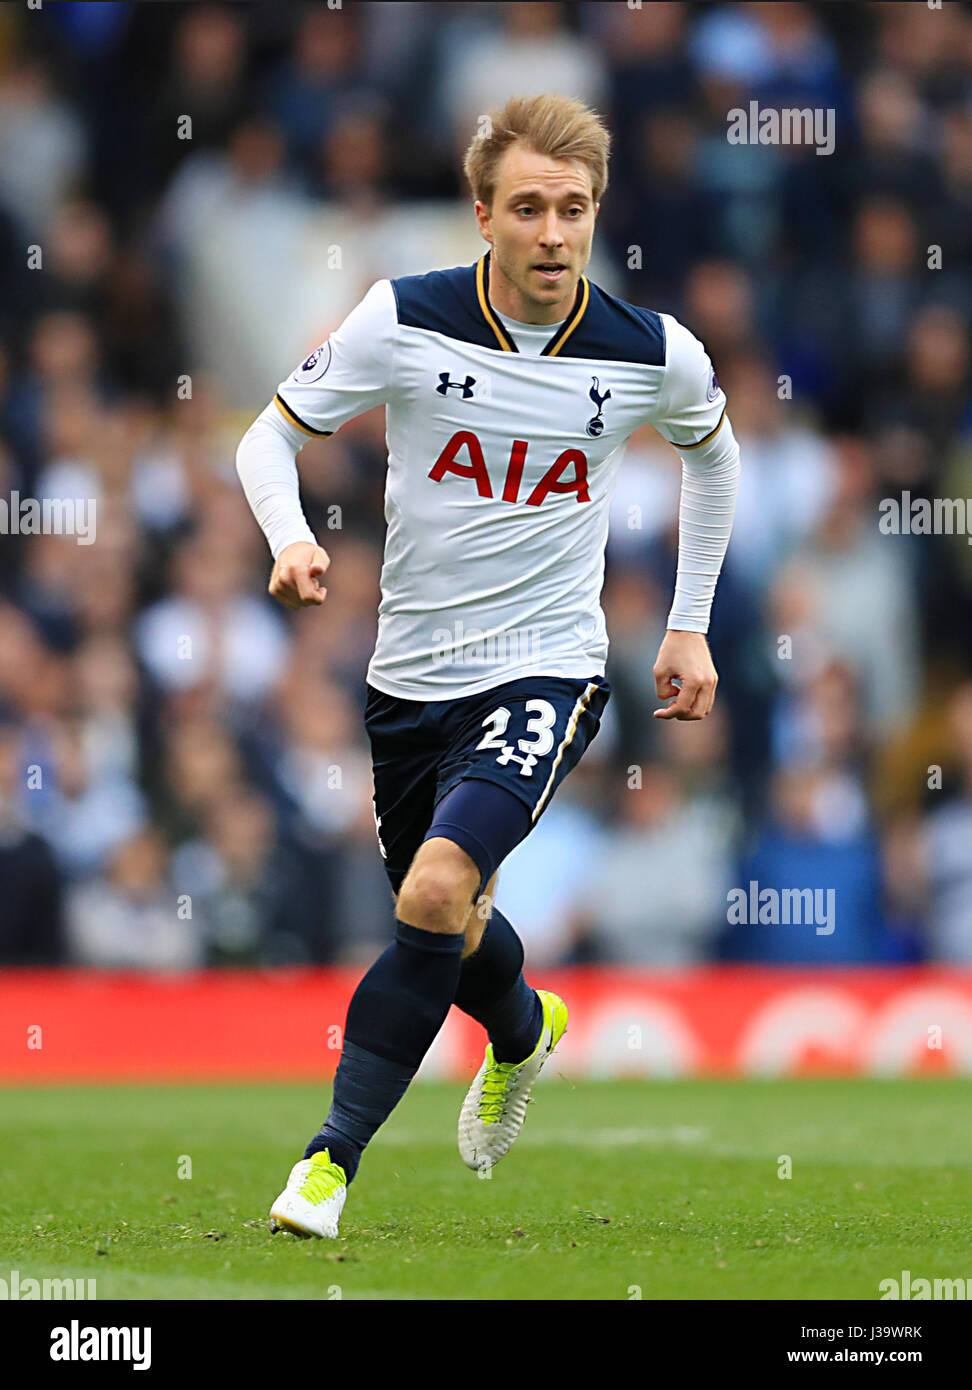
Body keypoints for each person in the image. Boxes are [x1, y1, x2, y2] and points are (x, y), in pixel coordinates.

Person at [235, 93, 740, 1238]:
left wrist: (687, 620)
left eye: (573, 209)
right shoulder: (401, 318)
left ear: (595, 215)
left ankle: (326, 1166)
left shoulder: (649, 351)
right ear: (482, 216)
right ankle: (524, 1030)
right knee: (447, 925)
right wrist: (292, 536)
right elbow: (266, 435)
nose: (554, 233)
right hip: (407, 682)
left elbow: (718, 460)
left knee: (434, 888)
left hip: (548, 670)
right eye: (529, 209)